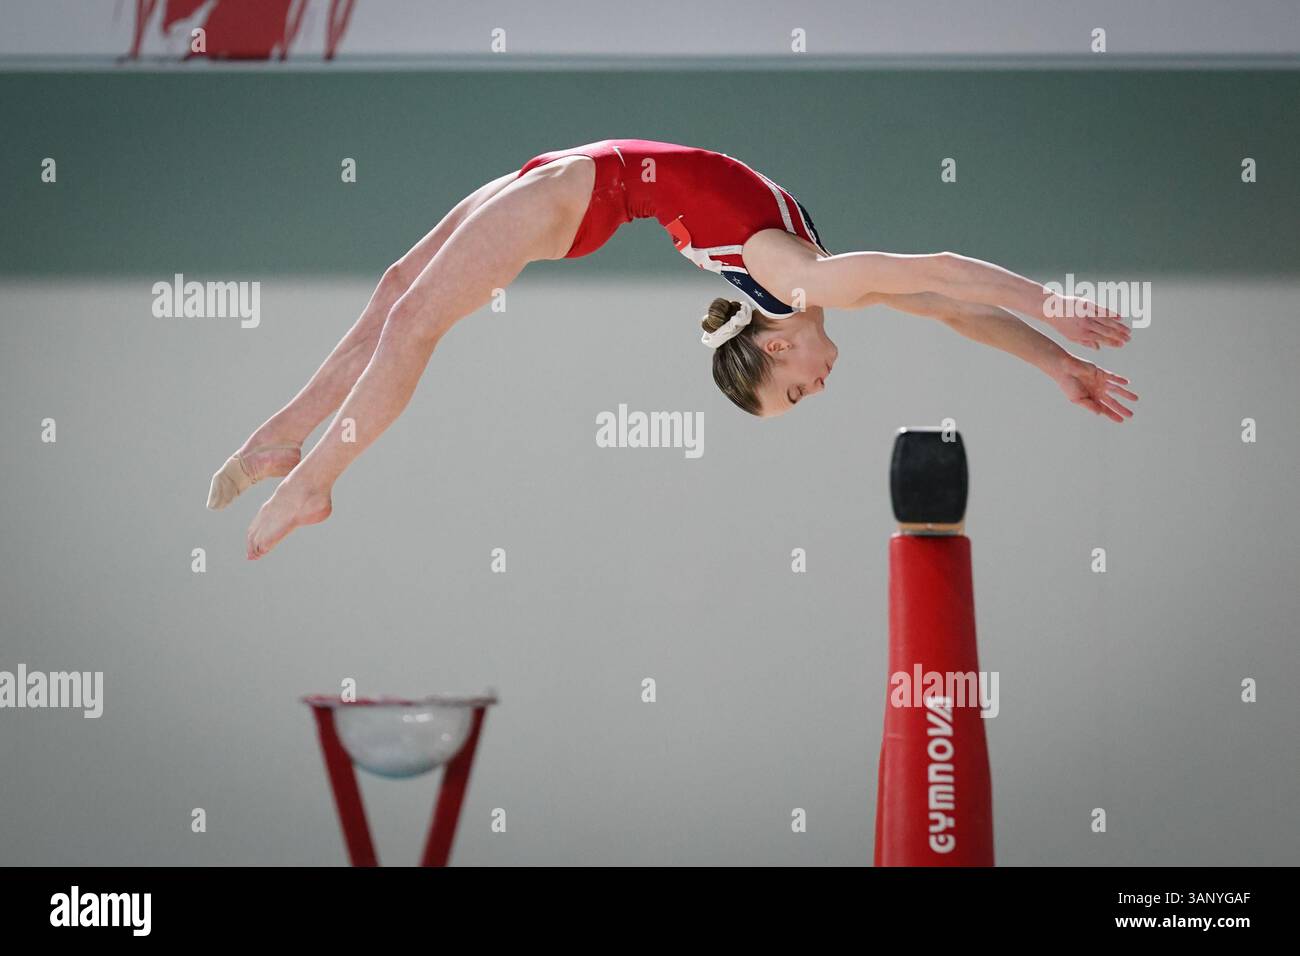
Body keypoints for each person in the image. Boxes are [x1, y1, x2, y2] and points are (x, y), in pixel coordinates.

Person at [206, 139, 1136, 559]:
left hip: (576, 191)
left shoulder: (793, 283)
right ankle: (293, 451)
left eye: (798, 395)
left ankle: (314, 471)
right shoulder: (803, 280)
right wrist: (1054, 324)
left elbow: (945, 300)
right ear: (776, 342)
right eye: (803, 394)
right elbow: (942, 283)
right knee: (400, 303)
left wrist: (1057, 353)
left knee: (411, 320)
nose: (820, 386)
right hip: (571, 182)